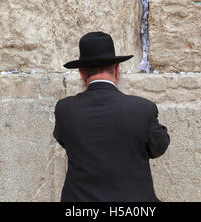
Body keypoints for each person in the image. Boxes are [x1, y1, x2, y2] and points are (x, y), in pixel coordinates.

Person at [53, 31, 170, 202]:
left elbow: (64, 140)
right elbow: (159, 147)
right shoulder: (143, 110)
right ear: (116, 70)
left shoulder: (65, 110)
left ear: (81, 73)